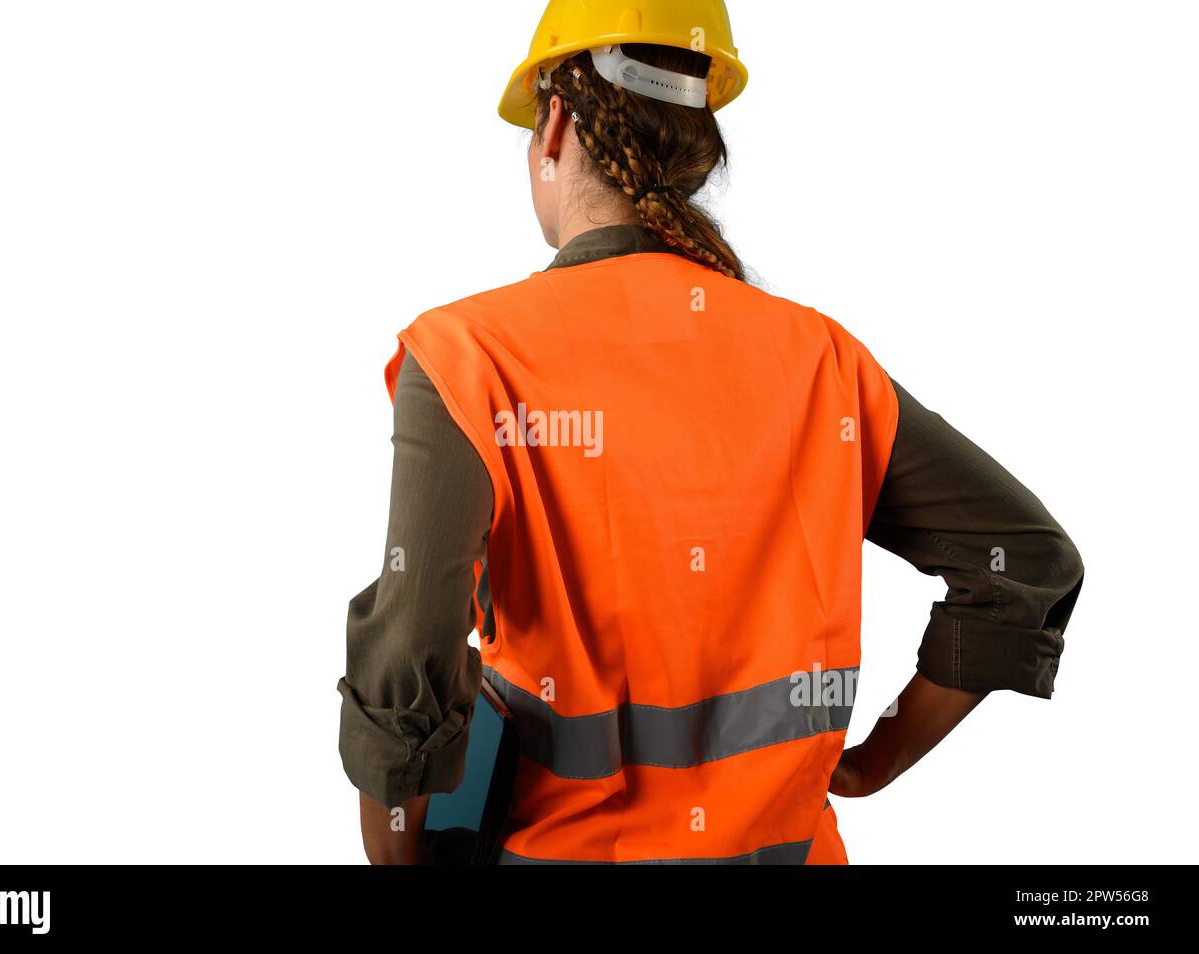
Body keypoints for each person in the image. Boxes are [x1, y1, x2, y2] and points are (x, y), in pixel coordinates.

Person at [337, 0, 1084, 865]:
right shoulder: (822, 360)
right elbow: (1025, 562)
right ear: (695, 144)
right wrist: (878, 761)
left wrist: (399, 857)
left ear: (554, 128)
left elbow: (410, 653)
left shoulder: (470, 358)